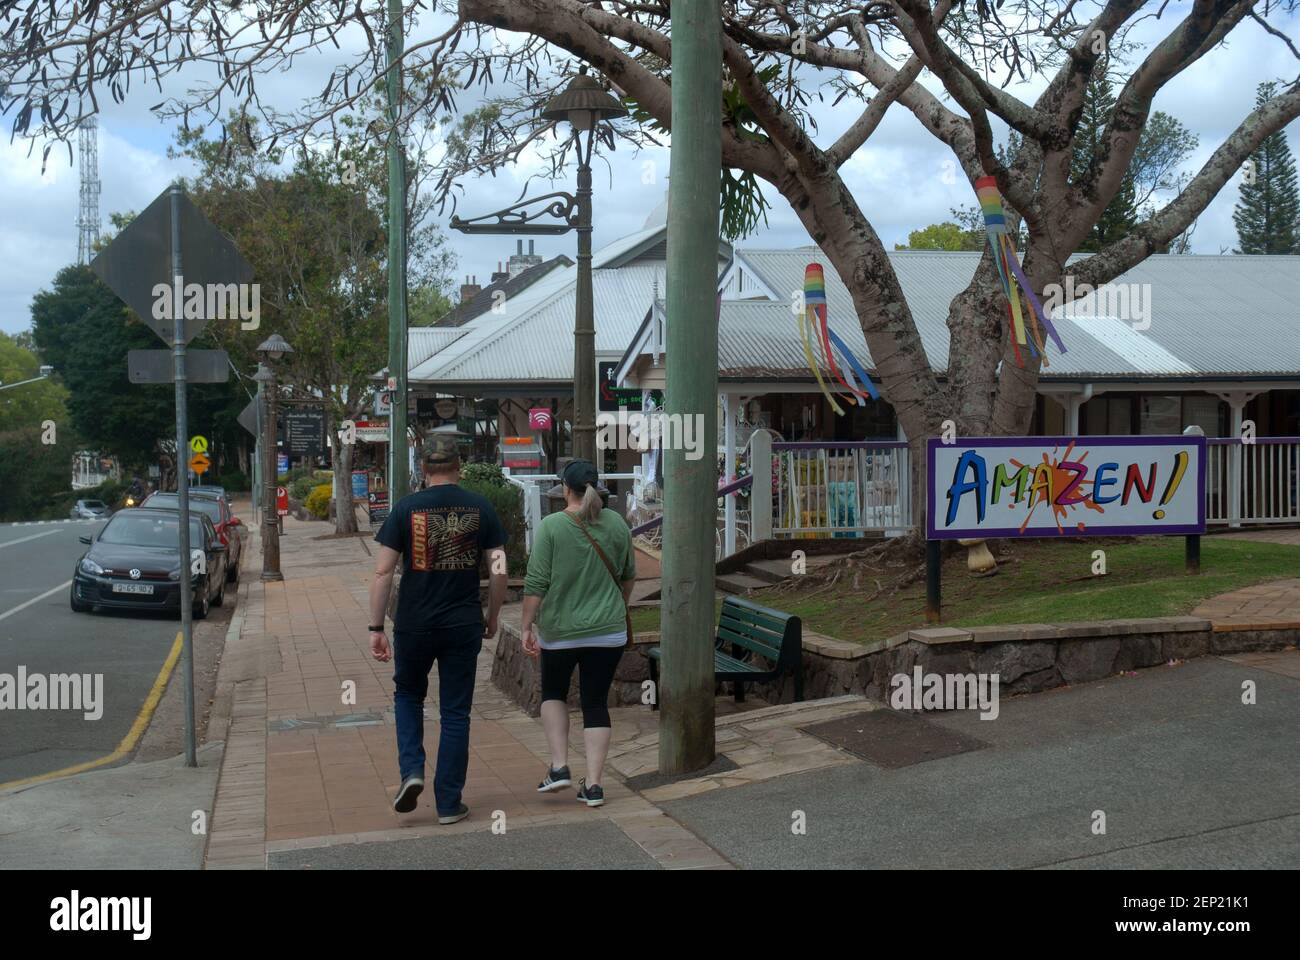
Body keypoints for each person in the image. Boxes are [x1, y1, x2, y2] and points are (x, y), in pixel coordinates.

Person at [368, 435, 508, 824]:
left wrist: (376, 626)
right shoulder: (480, 507)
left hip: (413, 623)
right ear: (459, 467)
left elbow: (382, 572)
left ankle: (411, 770)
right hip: (462, 623)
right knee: (455, 712)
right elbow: (499, 570)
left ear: (424, 469)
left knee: (409, 696)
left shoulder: (406, 508)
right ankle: (448, 803)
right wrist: (492, 615)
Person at [521, 459, 636, 807]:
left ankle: (559, 767)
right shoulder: (616, 523)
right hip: (608, 632)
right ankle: (596, 786)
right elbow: (629, 574)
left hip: (561, 631)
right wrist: (619, 606)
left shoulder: (552, 527)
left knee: (554, 693)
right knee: (595, 703)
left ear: (565, 489)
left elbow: (536, 582)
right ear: (597, 488)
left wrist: (526, 624)